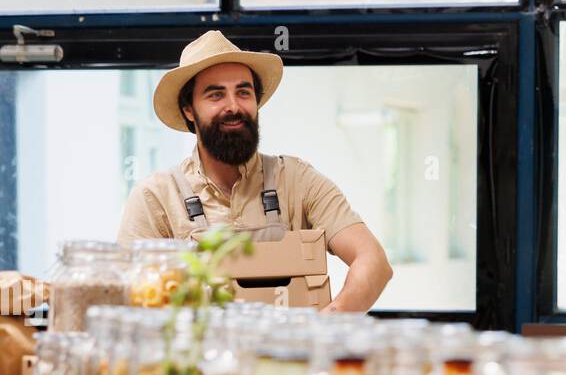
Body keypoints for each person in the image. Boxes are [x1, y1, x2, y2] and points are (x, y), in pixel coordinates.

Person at [117, 31, 393, 312]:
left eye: (244, 92)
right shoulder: (156, 197)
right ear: (189, 109)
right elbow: (129, 299)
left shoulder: (298, 180)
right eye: (215, 95)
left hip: (290, 353)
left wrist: (324, 327)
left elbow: (373, 261)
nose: (233, 106)